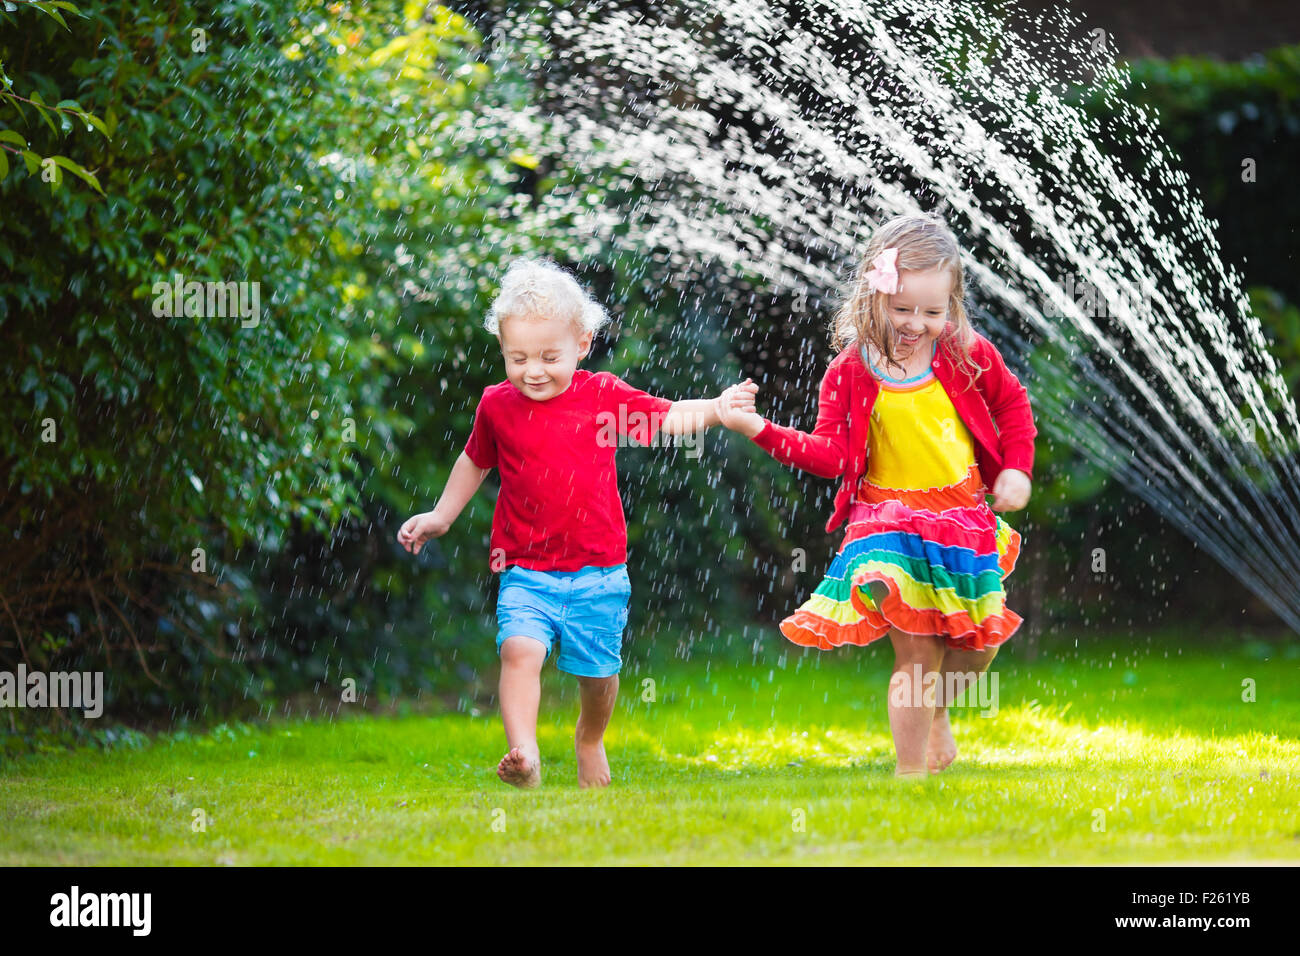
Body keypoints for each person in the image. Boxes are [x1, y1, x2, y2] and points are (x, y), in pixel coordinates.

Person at [398, 257, 757, 789]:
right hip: (525, 568)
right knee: (518, 650)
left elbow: (663, 416)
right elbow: (474, 461)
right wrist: (441, 515)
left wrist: (715, 410)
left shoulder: (600, 397)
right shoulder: (497, 405)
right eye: (517, 357)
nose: (533, 370)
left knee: (598, 676)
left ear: (582, 344)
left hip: (599, 570)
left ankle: (589, 738)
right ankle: (524, 754)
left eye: (548, 356)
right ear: (502, 349)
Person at [717, 213, 1037, 777]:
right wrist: (759, 430)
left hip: (960, 516)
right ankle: (909, 775)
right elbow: (830, 456)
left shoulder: (965, 351)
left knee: (977, 647)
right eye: (902, 309)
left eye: (933, 312)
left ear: (953, 305)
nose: (916, 323)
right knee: (916, 650)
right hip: (887, 520)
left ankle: (938, 714)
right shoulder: (849, 371)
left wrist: (1017, 470)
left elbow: (1012, 406)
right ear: (874, 295)